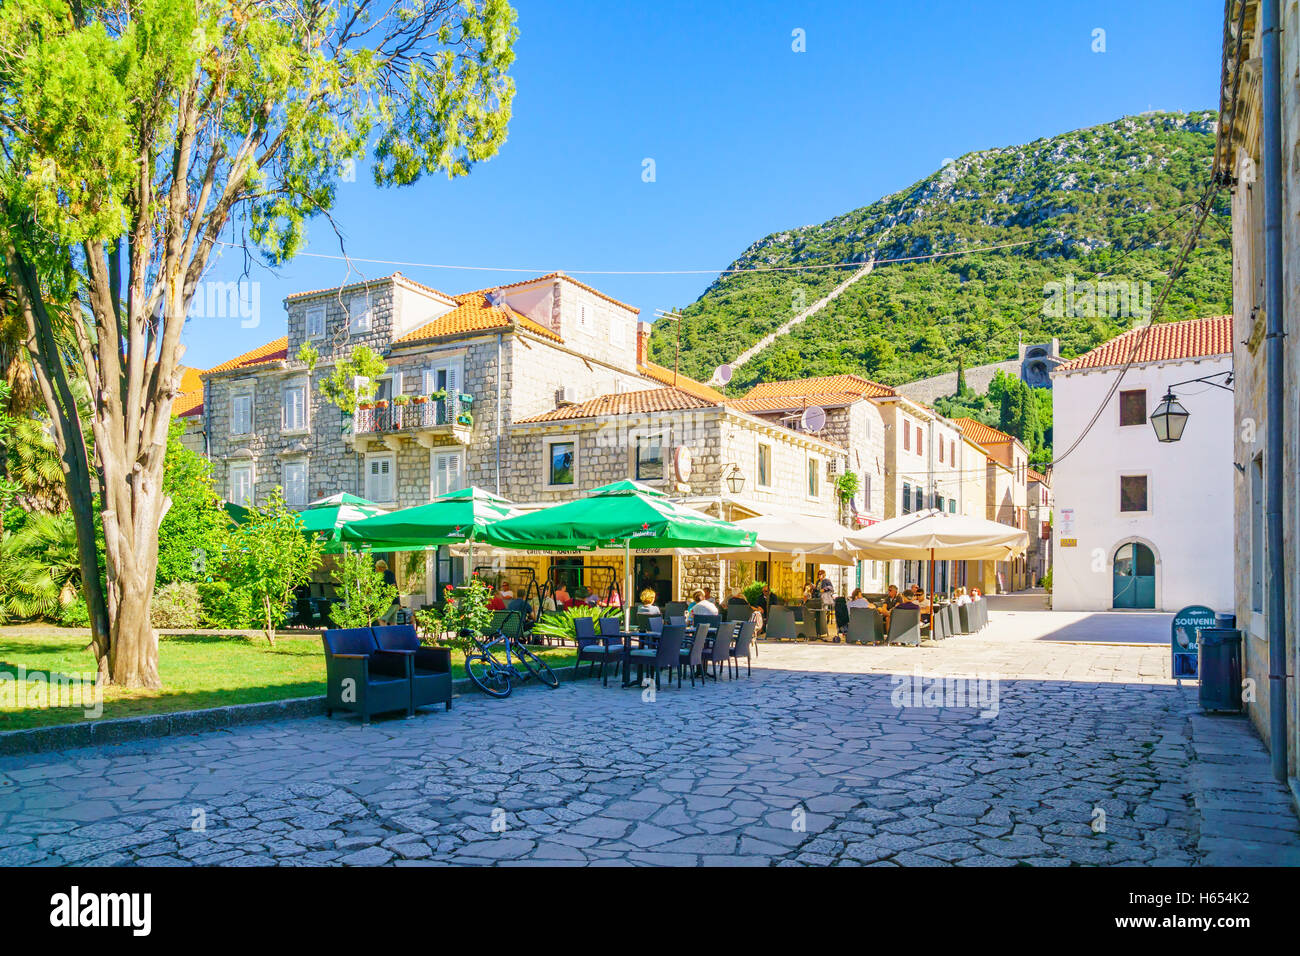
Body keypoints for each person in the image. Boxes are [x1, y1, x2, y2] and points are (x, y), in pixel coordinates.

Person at [376, 559, 400, 623]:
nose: (376, 570)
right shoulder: (388, 574)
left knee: (381, 619)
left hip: (390, 602)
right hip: (395, 601)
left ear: (380, 567)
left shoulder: (387, 573)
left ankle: (383, 633)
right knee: (392, 622)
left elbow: (392, 585)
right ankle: (393, 633)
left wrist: (387, 599)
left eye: (376, 568)